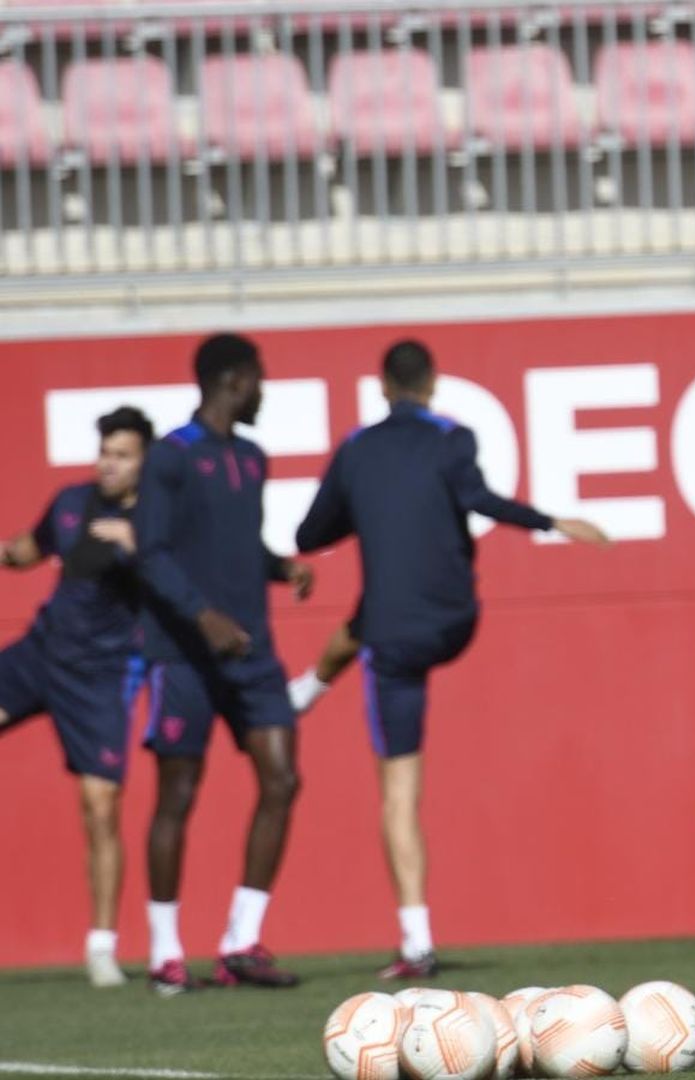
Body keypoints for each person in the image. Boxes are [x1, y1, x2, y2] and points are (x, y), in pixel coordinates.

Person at [293, 341, 608, 977]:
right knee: (369, 618)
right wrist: (553, 520)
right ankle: (307, 686)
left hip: (393, 639)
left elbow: (308, 536)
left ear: (382, 385)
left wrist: (365, 506)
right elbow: (481, 499)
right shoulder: (453, 437)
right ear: (432, 385)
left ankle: (415, 943)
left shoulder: (357, 447)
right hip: (454, 621)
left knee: (399, 790)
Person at [134, 334, 315, 995]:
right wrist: (202, 616)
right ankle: (164, 951)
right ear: (235, 380)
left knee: (283, 779)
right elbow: (150, 553)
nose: (264, 390)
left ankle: (241, 942)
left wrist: (280, 566)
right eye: (260, 378)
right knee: (178, 794)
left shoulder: (252, 457)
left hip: (252, 651)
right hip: (184, 653)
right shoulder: (171, 457)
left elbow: (234, 543)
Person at [0, 407, 153, 987]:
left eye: (122, 454)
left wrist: (138, 545)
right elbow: (26, 550)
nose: (108, 464)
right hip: (41, 654)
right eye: (104, 452)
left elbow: (183, 580)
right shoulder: (69, 503)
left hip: (101, 678)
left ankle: (101, 947)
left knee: (100, 808)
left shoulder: (155, 522)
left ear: (145, 463)